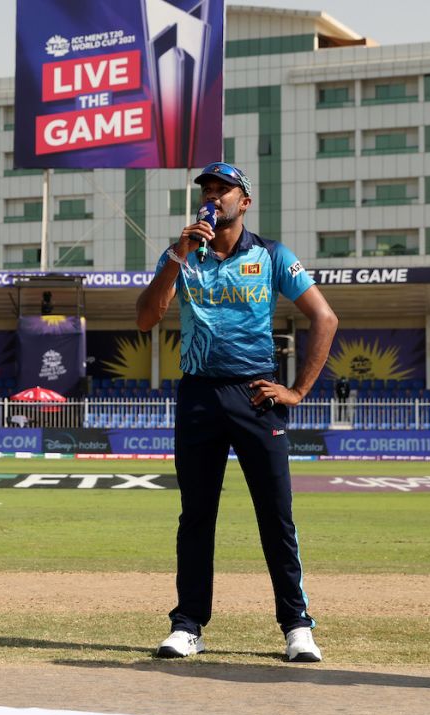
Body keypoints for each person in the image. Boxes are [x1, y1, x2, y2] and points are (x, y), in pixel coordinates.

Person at [136, 162, 338, 662]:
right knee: (197, 516)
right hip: (199, 395)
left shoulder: (271, 255)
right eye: (206, 189)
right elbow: (145, 318)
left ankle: (296, 626)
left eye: (222, 189)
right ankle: (187, 626)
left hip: (255, 397)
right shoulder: (183, 255)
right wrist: (176, 257)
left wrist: (297, 391)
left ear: (243, 202)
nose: (212, 196)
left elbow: (325, 317)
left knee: (276, 516)